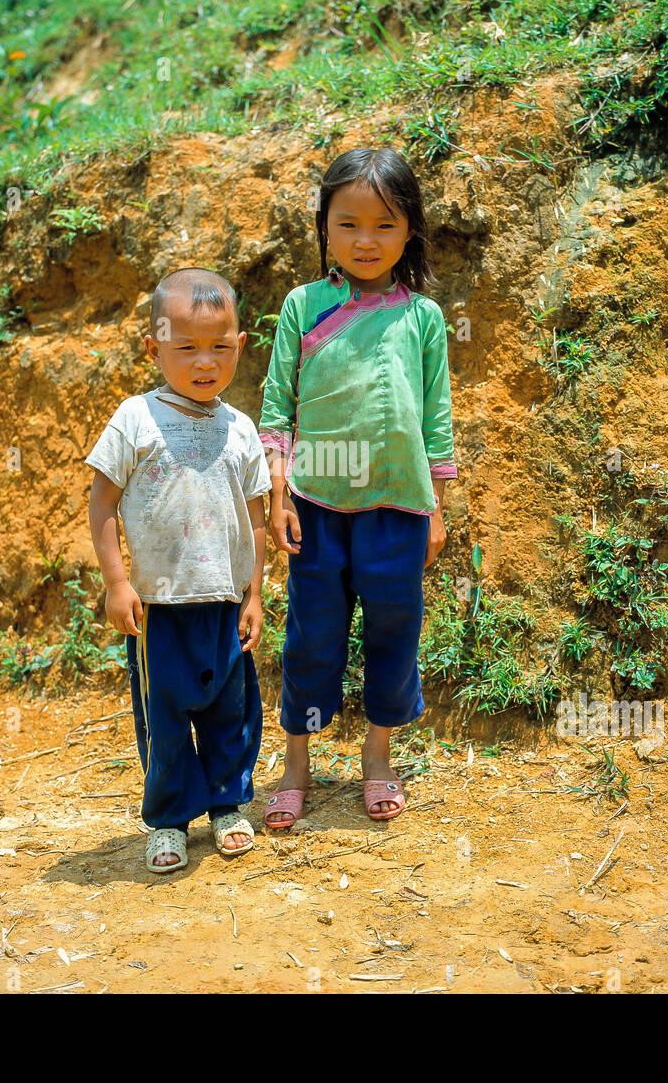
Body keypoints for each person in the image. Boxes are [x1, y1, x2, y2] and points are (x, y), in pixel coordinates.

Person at [257, 148, 456, 829]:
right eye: (347, 225)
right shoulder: (303, 307)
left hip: (398, 507)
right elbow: (277, 406)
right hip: (317, 507)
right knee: (313, 637)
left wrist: (435, 505)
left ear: (410, 231)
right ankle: (296, 766)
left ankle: (378, 757)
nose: (364, 241)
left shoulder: (423, 318)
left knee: (394, 634)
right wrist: (278, 494)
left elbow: (435, 416)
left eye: (384, 225)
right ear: (324, 229)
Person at [86, 268, 271, 872]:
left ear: (240, 346)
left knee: (230, 711)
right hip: (159, 610)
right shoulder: (135, 419)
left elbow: (257, 520)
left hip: (224, 602)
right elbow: (102, 503)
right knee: (166, 720)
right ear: (153, 348)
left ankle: (227, 806)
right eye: (186, 347)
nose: (204, 362)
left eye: (220, 346)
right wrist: (118, 583)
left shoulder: (241, 429)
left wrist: (256, 596)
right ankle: (167, 821)